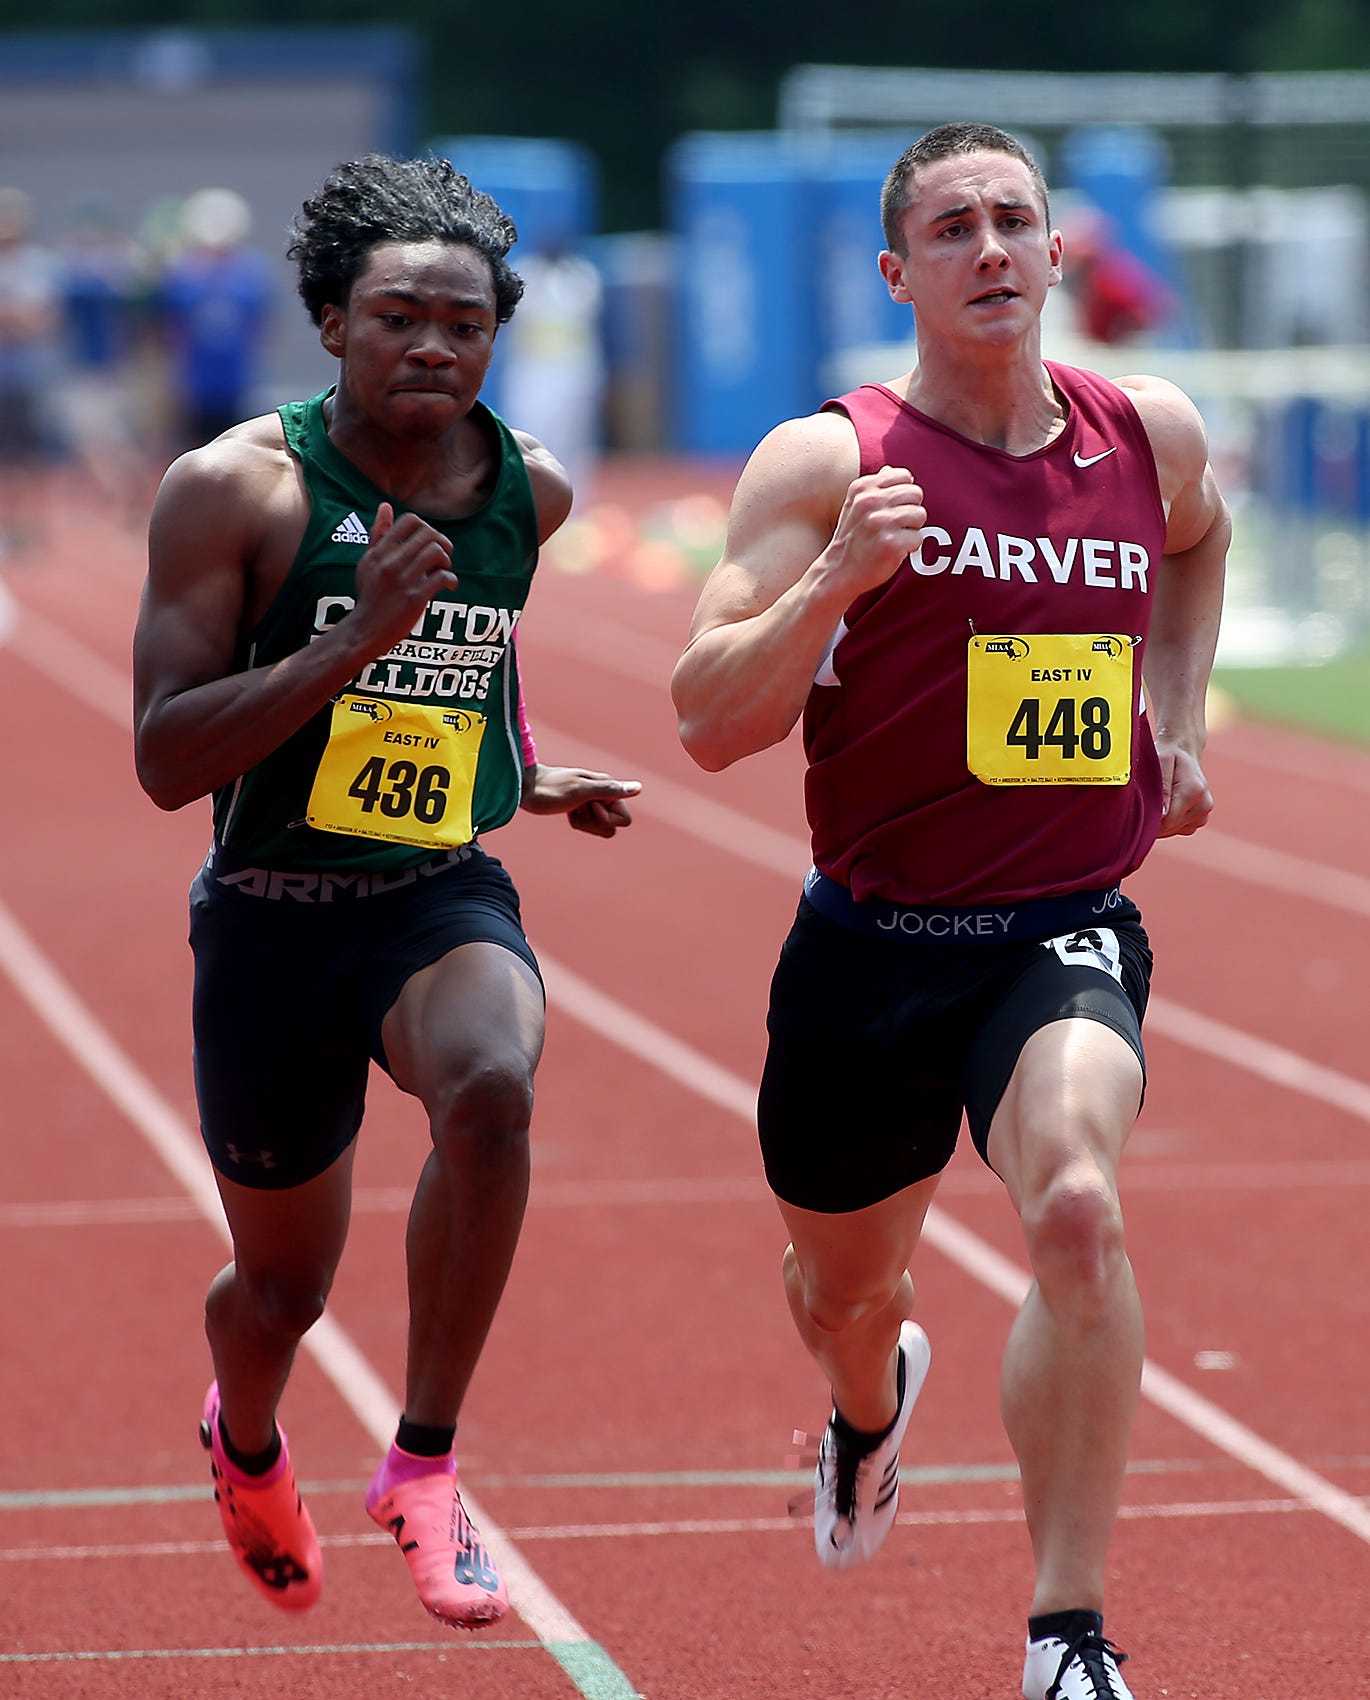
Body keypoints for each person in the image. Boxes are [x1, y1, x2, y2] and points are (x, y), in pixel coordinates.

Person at [672, 122, 1228, 1700]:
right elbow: (706, 717)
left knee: (1073, 1210)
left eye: (1015, 220)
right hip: (868, 946)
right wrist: (832, 582)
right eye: (952, 226)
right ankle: (865, 1409)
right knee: (845, 1295)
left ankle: (1066, 1637)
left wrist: (1172, 714)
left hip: (1058, 924)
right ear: (894, 270)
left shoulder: (1144, 432)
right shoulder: (829, 461)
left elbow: (1199, 543)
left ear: (1058, 254)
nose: (989, 247)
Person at [132, 154, 641, 1632]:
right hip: (273, 917)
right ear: (328, 324)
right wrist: (347, 644)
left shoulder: (525, 487)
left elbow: (473, 659)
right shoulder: (237, 489)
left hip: (431, 894)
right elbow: (168, 761)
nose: (433, 345)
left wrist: (522, 770)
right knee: (279, 1293)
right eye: (399, 316)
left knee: (490, 1090)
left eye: (464, 324)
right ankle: (245, 1438)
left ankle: (423, 1464)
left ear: (499, 338)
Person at [156, 187, 272, 455]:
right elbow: (169, 330)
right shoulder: (181, 275)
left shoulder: (250, 275)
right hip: (194, 384)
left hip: (235, 381)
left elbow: (261, 328)